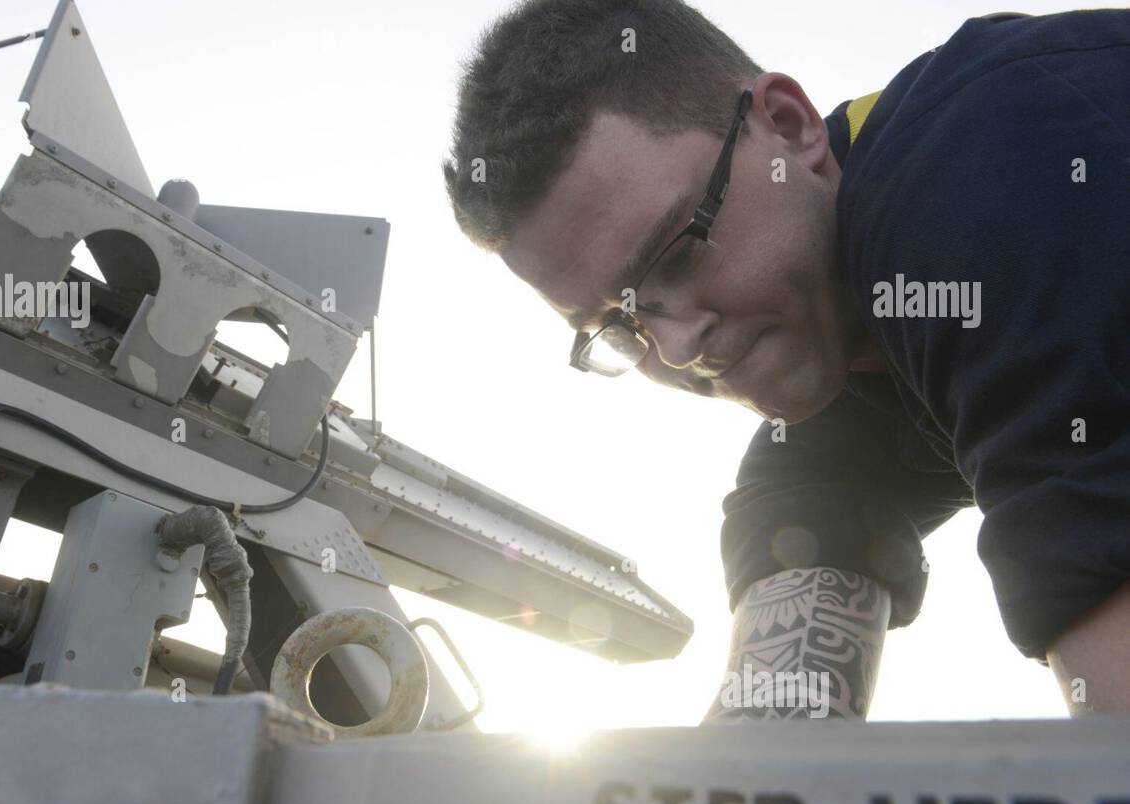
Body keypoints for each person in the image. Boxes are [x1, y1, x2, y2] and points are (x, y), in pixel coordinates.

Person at [440, 1, 1130, 718]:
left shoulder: (986, 166)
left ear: (791, 127)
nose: (676, 350)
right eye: (620, 325)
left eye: (677, 256)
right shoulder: (818, 430)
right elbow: (765, 766)